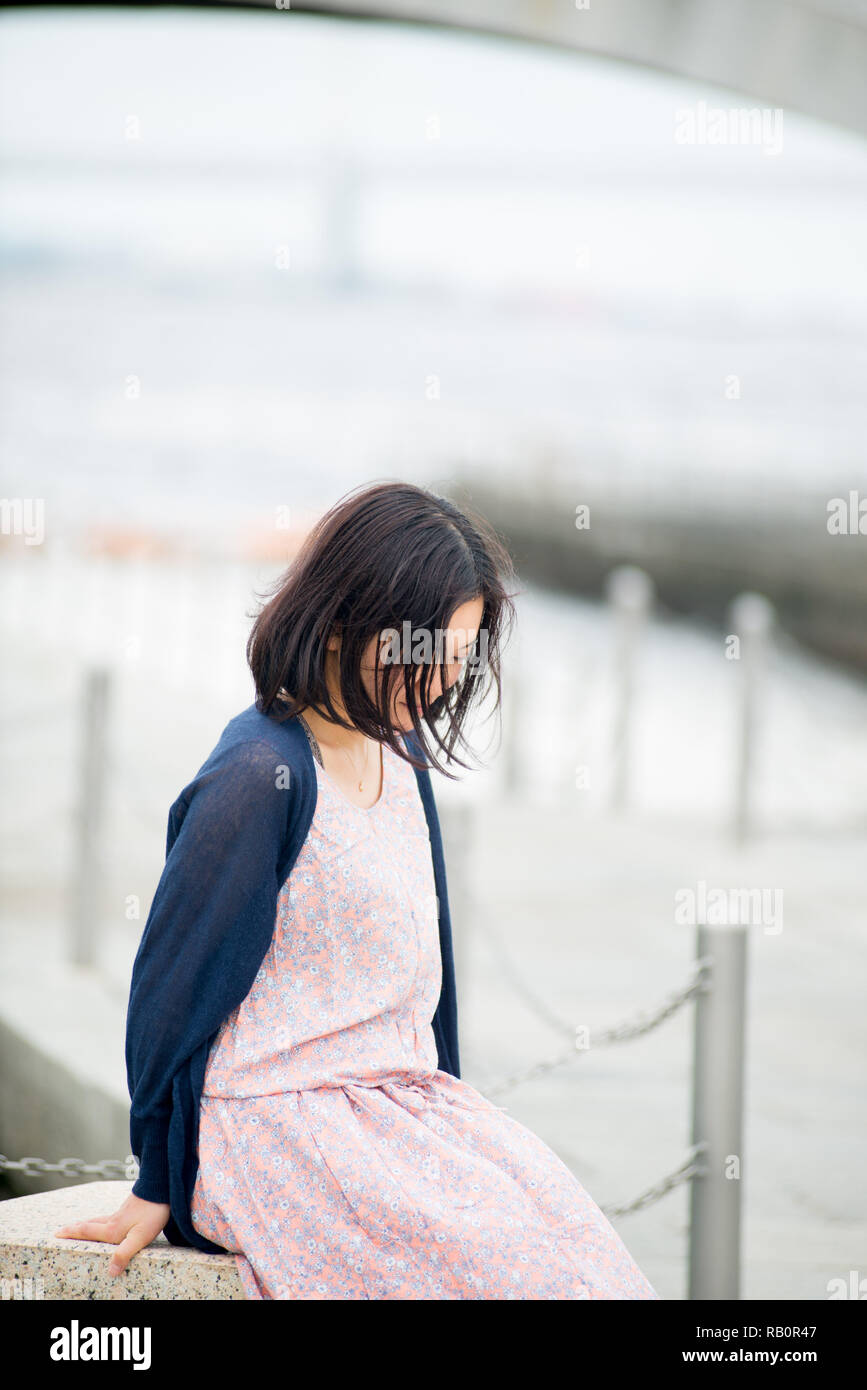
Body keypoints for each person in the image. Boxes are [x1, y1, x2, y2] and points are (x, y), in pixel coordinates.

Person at [55, 480, 660, 1300]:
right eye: (426, 652)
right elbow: (170, 990)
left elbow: (427, 968)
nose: (442, 680)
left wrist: (454, 1128)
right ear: (347, 619)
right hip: (276, 1126)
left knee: (581, 1257)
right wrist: (157, 1177)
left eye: (460, 657)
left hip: (399, 1111)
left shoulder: (399, 749)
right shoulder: (258, 777)